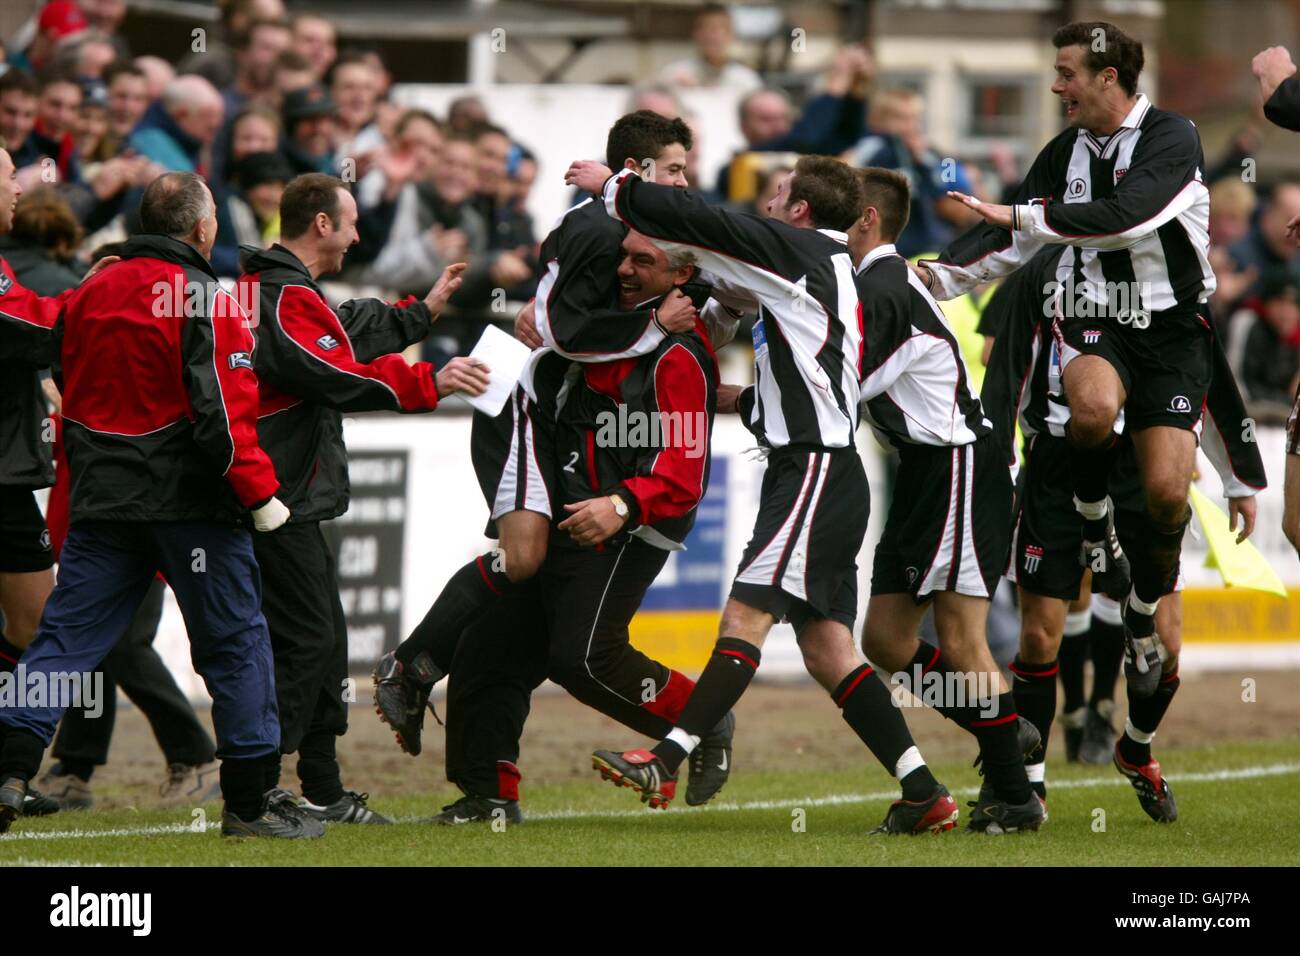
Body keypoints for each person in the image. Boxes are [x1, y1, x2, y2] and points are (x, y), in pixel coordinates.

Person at [566, 153, 956, 830]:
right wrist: (731, 393)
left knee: (743, 619)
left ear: (800, 211)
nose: (767, 206)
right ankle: (923, 792)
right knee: (829, 651)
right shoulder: (816, 268)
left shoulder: (799, 253)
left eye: (777, 195)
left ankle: (667, 756)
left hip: (812, 472)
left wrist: (615, 187)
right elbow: (803, 377)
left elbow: (702, 222)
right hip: (823, 470)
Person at [0, 170, 320, 839]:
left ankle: (9, 769)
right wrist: (261, 497)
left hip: (101, 504)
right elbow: (226, 419)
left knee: (62, 644)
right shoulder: (207, 297)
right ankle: (252, 802)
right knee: (235, 644)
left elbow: (60, 372)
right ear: (204, 228)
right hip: (192, 507)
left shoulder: (89, 291)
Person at [374, 111, 703, 759]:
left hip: (549, 407)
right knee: (525, 559)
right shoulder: (594, 227)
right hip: (521, 401)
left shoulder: (634, 226)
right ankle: (410, 666)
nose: (685, 183)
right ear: (637, 172)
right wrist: (656, 327)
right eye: (674, 169)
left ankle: (442, 707)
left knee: (530, 582)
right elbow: (560, 330)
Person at [916, 20, 1217, 703]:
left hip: (1170, 336)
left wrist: (1020, 214)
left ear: (1108, 77)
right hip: (1094, 318)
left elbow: (1126, 218)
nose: (1057, 86)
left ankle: (1140, 612)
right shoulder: (1065, 151)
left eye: (1067, 74)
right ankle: (1093, 518)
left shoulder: (1174, 138)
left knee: (1169, 494)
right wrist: (932, 278)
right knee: (1091, 409)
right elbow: (1009, 237)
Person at [435, 232, 729, 823]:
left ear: (680, 276)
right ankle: (487, 794)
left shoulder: (679, 353)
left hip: (626, 527)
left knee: (585, 659)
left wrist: (620, 504)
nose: (624, 269)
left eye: (642, 262)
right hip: (567, 513)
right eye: (622, 257)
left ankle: (701, 720)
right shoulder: (591, 331)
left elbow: (684, 470)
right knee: (488, 650)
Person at [237, 173, 488, 824]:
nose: (356, 236)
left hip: (293, 496)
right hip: (273, 496)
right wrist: (431, 380)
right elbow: (335, 372)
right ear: (321, 225)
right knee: (307, 640)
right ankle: (255, 788)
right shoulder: (277, 294)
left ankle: (320, 786)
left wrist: (421, 312)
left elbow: (341, 335)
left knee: (324, 639)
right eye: (349, 224)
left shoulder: (289, 291)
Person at [979, 245, 1264, 820]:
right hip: (1057, 466)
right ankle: (1029, 789)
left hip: (1142, 465)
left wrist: (1239, 477)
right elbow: (1001, 363)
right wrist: (999, 467)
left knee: (1168, 643)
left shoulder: (1165, 273)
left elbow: (1202, 367)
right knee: (1039, 635)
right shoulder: (1041, 272)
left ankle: (1135, 747)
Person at [657, 3, 761, 92]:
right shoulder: (673, 75)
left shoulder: (747, 80)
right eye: (706, 27)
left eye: (720, 28)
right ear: (695, 33)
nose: (712, 35)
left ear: (731, 35)